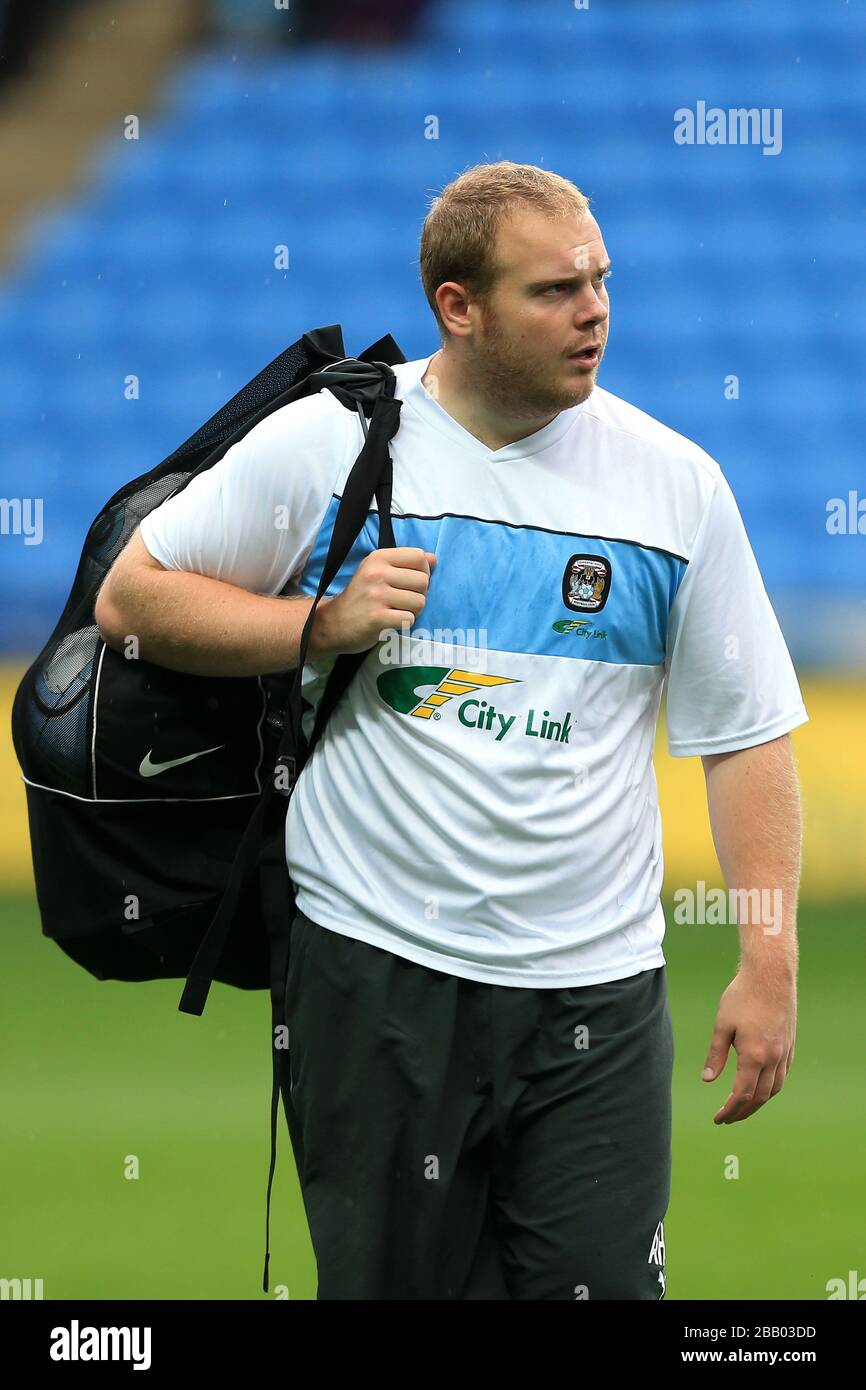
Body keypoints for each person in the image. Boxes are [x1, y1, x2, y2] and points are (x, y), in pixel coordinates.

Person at [97, 160, 806, 1300]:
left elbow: (745, 735)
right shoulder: (328, 445)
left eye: (599, 281)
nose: (593, 313)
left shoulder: (675, 485)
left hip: (597, 991)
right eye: (552, 291)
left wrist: (765, 959)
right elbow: (134, 599)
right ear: (456, 307)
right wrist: (317, 624)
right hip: (377, 970)